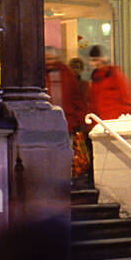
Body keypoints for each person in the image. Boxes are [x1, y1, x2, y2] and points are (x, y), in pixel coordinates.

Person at [46, 47, 92, 188]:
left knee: (64, 155)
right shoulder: (39, 75)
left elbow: (77, 99)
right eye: (47, 59)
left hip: (66, 123)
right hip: (47, 124)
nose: (50, 62)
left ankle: (64, 182)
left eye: (52, 59)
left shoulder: (67, 74)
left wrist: (79, 120)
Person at [87, 45, 131, 120]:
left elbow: (129, 102)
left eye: (96, 60)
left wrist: (118, 119)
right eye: (92, 60)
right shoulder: (95, 78)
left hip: (113, 123)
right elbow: (93, 106)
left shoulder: (115, 76)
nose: (93, 64)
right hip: (100, 123)